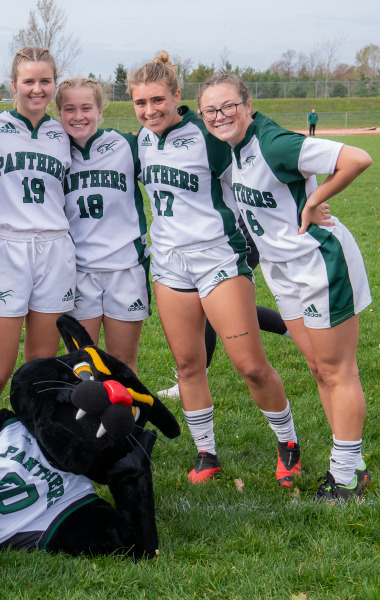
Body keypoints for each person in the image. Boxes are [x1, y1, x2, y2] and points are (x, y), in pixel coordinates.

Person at [197, 73, 373, 501]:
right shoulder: (231, 148)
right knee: (317, 369)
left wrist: (314, 201)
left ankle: (347, 475)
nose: (221, 117)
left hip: (318, 263)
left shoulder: (271, 143)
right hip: (283, 269)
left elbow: (358, 158)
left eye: (229, 107)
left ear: (248, 105)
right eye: (211, 111)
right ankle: (351, 462)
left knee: (337, 370)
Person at [129, 52, 300, 485]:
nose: (150, 110)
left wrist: (309, 202)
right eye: (140, 103)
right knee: (188, 365)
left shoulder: (208, 136)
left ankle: (288, 442)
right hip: (170, 265)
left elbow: (261, 168)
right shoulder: (143, 140)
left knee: (250, 364)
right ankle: (206, 453)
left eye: (158, 100)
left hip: (218, 257)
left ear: (177, 96)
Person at [0, 47, 72, 414]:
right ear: (13, 84)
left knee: (40, 371)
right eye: (28, 81)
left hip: (55, 249)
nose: (37, 89)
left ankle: (34, 444)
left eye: (45, 81)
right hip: (5, 248)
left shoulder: (63, 134)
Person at [56, 77, 149, 374]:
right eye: (69, 109)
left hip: (125, 268)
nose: (78, 116)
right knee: (85, 366)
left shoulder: (125, 145)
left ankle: (128, 422)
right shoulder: (54, 152)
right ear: (59, 113)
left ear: (100, 111)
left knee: (123, 364)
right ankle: (89, 423)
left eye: (86, 107)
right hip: (79, 269)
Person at [158, 217, 291, 399]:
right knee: (226, 309)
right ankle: (301, 333)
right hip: (215, 238)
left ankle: (194, 377)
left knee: (210, 305)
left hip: (233, 241)